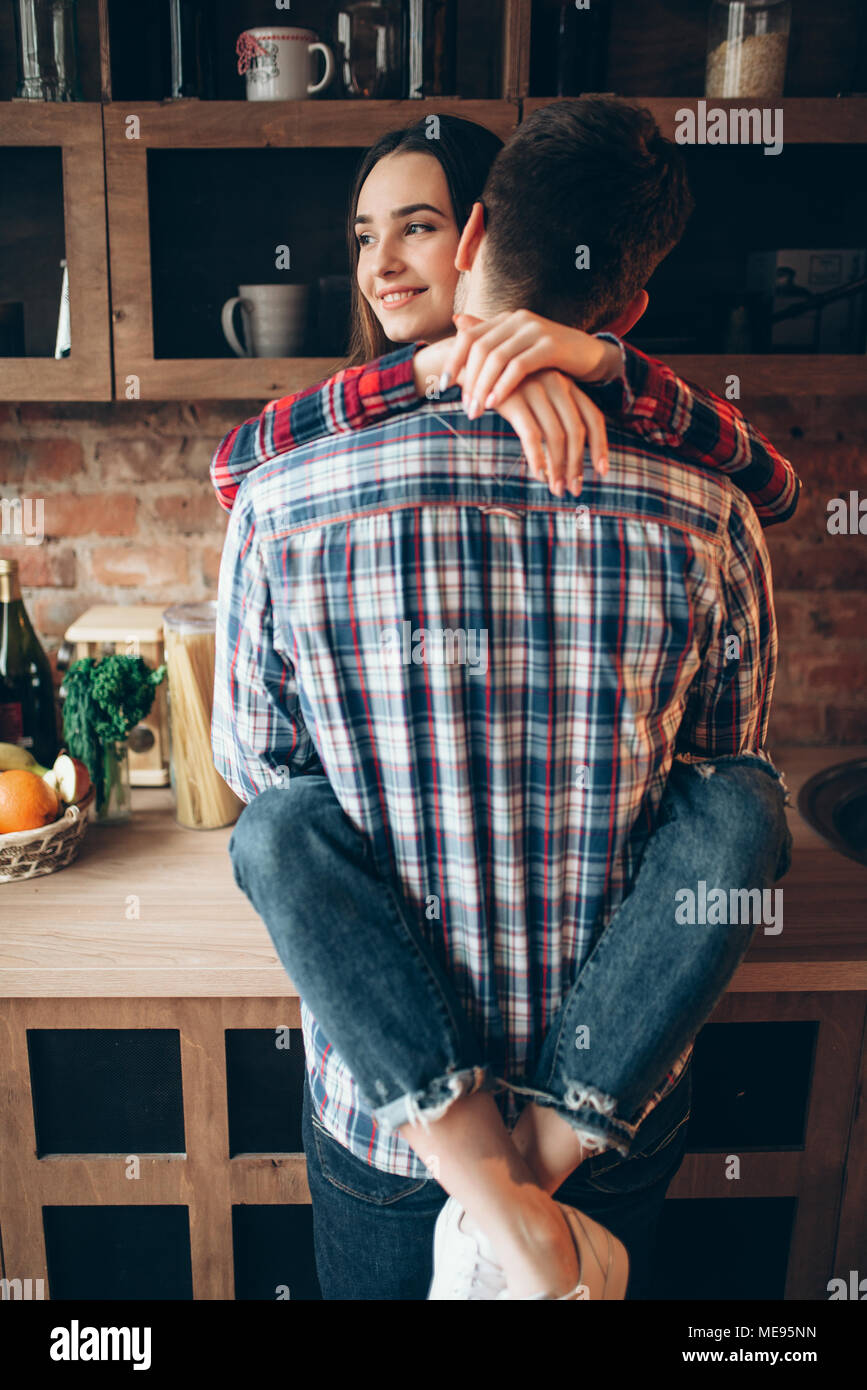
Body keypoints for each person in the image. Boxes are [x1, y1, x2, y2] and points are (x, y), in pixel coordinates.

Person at [212, 100, 795, 1300]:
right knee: (743, 805)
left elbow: (261, 773)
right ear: (627, 312)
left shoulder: (280, 498)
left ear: (470, 235)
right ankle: (532, 1202)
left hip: (389, 1132)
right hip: (611, 1122)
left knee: (275, 826)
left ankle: (500, 1193)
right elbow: (716, 789)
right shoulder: (711, 511)